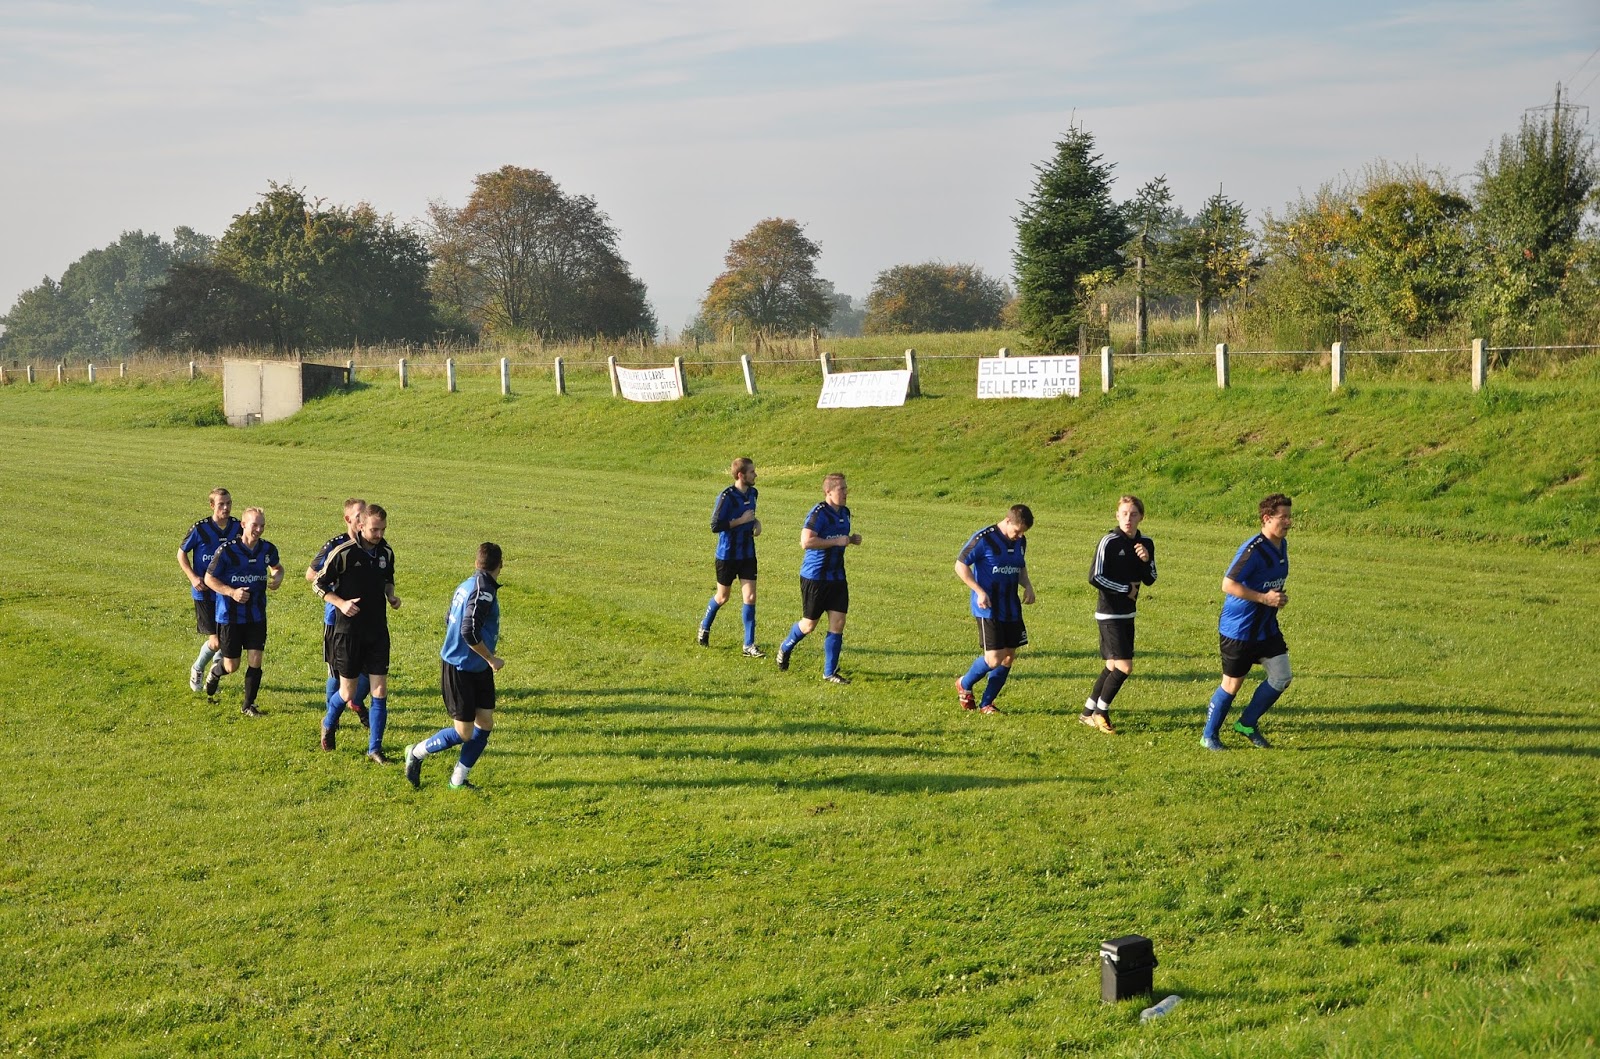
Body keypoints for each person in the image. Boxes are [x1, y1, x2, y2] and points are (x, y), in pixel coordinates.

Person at [405, 542, 505, 791]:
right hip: (460, 668)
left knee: (485, 723)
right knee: (463, 733)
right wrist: (491, 658)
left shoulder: (467, 584)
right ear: (500, 565)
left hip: (476, 666)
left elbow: (448, 616)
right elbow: (469, 631)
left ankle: (458, 779)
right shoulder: (483, 591)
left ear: (476, 563)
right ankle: (416, 752)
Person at [1202, 493, 1294, 751]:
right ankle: (1209, 736)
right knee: (1232, 685)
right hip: (1239, 631)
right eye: (1283, 517)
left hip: (1266, 628)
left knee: (1282, 677)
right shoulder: (1252, 550)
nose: (1288, 522)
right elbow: (1227, 584)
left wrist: (1276, 598)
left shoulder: (1281, 545)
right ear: (1267, 518)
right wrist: (1264, 598)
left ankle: (1247, 723)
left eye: (1290, 517)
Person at [315, 504, 401, 763]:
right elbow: (317, 584)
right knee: (348, 693)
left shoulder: (386, 551)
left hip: (377, 631)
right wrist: (341, 603)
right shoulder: (343, 553)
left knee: (380, 691)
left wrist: (391, 596)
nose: (379, 534)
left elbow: (388, 578)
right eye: (375, 529)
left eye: (383, 529)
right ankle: (329, 722)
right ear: (361, 526)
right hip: (348, 632)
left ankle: (375, 749)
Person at [1082, 495, 1157, 734]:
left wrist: (1145, 560)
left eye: (1133, 514)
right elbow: (1095, 576)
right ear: (1117, 515)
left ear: (1141, 517)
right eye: (1124, 513)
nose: (1128, 518)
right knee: (1124, 667)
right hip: (1109, 614)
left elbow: (1151, 578)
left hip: (1128, 613)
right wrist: (1125, 589)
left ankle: (1087, 712)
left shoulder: (1146, 543)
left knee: (1112, 665)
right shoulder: (1109, 542)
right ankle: (1101, 713)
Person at [777, 473, 860, 683]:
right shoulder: (818, 513)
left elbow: (840, 539)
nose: (846, 492)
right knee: (809, 625)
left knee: (838, 622)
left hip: (837, 576)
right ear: (828, 492)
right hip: (815, 577)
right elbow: (806, 542)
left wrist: (851, 539)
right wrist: (836, 541)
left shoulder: (845, 513)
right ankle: (786, 646)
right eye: (841, 489)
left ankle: (829, 672)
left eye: (846, 488)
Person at [953, 505, 1036, 715]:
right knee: (993, 658)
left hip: (1011, 606)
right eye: (1017, 531)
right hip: (988, 607)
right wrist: (979, 591)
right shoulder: (984, 538)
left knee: (1008, 657)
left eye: (1023, 532)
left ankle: (987, 703)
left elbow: (1020, 566)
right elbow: (960, 565)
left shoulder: (1020, 541)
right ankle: (964, 683)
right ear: (1007, 521)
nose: (1020, 536)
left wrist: (1027, 585)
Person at [202, 507, 283, 715]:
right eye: (255, 525)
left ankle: (248, 705)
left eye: (262, 525)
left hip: (256, 614)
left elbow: (277, 567)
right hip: (230, 616)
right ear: (243, 525)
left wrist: (278, 576)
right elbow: (209, 578)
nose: (259, 529)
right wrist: (231, 592)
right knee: (232, 666)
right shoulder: (227, 551)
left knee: (256, 660)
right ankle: (216, 671)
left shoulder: (267, 549)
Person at [307, 498, 370, 728]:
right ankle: (331, 719)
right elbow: (311, 574)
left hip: (366, 621)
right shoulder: (335, 545)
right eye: (359, 516)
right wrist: (338, 589)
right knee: (336, 673)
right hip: (336, 620)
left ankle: (355, 702)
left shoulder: (372, 545)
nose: (363, 519)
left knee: (368, 673)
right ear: (348, 519)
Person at [697, 458, 764, 657]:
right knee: (722, 597)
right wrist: (740, 521)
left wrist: (756, 523)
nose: (755, 474)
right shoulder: (726, 496)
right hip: (727, 555)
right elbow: (715, 525)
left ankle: (748, 645)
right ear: (741, 475)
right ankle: (704, 626)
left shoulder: (753, 493)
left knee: (750, 597)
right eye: (752, 472)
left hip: (747, 554)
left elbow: (751, 516)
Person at [177, 487, 240, 692]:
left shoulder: (237, 527)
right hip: (204, 592)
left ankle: (214, 676)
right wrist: (193, 577)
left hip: (226, 592)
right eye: (221, 504)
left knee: (226, 638)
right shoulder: (200, 529)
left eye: (229, 503)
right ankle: (198, 667)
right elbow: (181, 553)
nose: (226, 508)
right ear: (212, 505)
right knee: (216, 642)